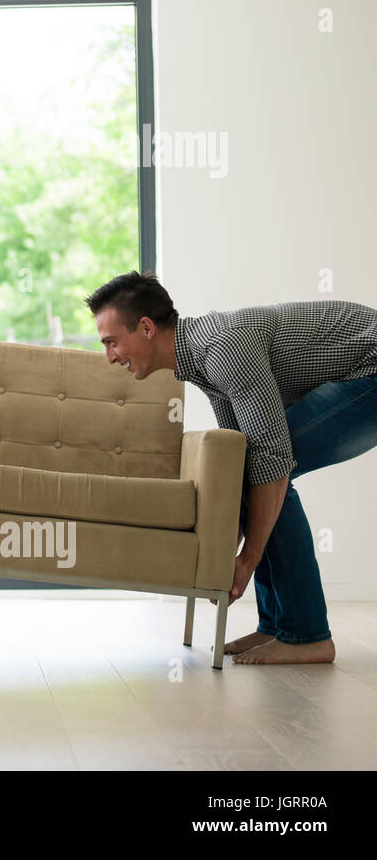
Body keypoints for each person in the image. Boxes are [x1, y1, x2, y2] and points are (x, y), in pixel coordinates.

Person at [84, 271, 377, 665]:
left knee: (270, 470)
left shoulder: (223, 350)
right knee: (250, 468)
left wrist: (246, 561)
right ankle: (278, 625)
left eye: (111, 342)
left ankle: (306, 634)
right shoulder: (200, 360)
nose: (110, 357)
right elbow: (239, 462)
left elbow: (272, 460)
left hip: (370, 369)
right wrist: (222, 558)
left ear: (147, 328)